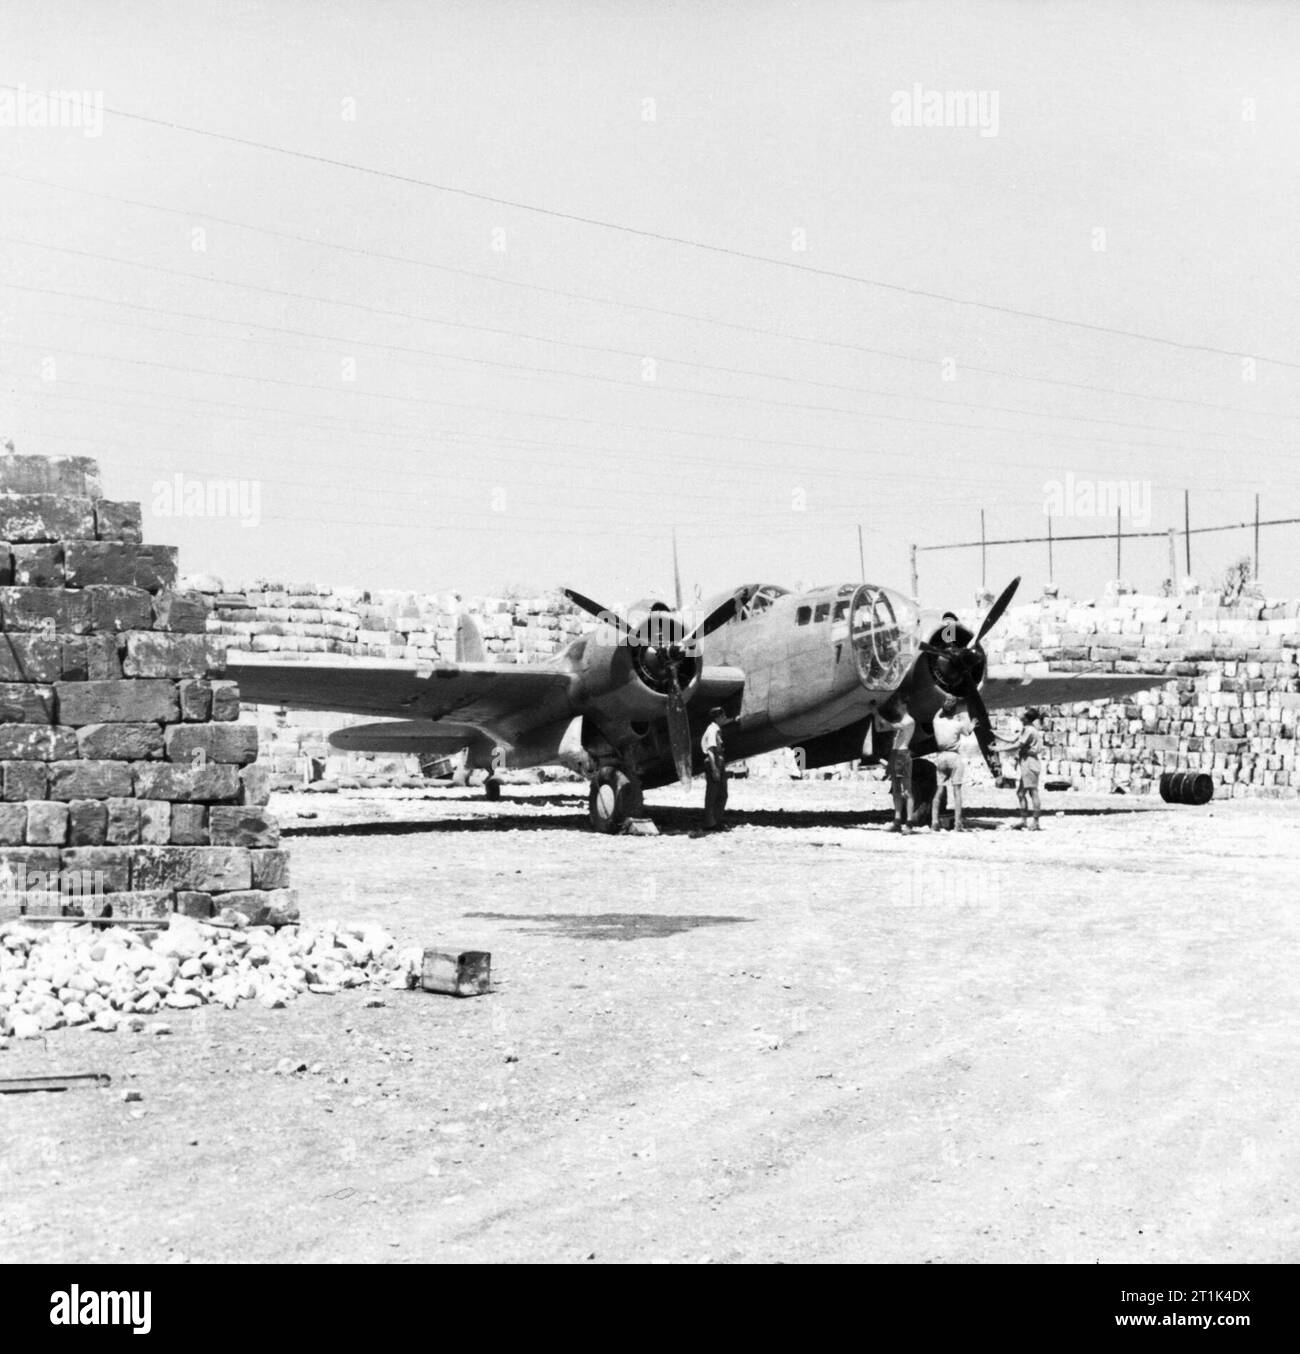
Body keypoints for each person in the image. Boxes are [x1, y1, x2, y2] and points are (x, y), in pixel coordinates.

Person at [929, 696, 977, 831]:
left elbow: (938, 714)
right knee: (957, 791)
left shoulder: (937, 722)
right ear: (955, 711)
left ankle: (934, 821)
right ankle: (957, 823)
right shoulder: (958, 724)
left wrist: (946, 703)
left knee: (938, 790)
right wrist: (970, 722)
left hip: (941, 756)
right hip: (954, 757)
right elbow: (968, 732)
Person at [995, 707, 1044, 830]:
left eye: (1023, 715)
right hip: (1026, 762)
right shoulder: (1027, 729)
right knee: (1021, 793)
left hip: (1030, 762)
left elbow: (1017, 744)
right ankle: (1024, 820)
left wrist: (999, 749)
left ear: (1027, 718)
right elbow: (1013, 739)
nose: (1021, 716)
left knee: (1033, 792)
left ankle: (1036, 822)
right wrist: (995, 734)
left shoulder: (1029, 730)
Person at [877, 697, 915, 833]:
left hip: (902, 754)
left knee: (907, 790)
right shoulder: (902, 721)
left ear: (904, 705)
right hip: (895, 754)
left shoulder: (909, 721)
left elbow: (887, 726)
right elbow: (880, 728)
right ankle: (897, 820)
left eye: (898, 703)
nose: (895, 706)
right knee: (896, 791)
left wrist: (875, 712)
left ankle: (909, 822)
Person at [700, 706, 729, 832]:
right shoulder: (712, 730)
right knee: (713, 794)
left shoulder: (716, 728)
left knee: (722, 794)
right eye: (723, 716)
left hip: (719, 760)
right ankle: (709, 823)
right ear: (717, 717)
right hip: (715, 761)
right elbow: (711, 751)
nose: (725, 718)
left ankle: (716, 821)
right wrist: (715, 769)